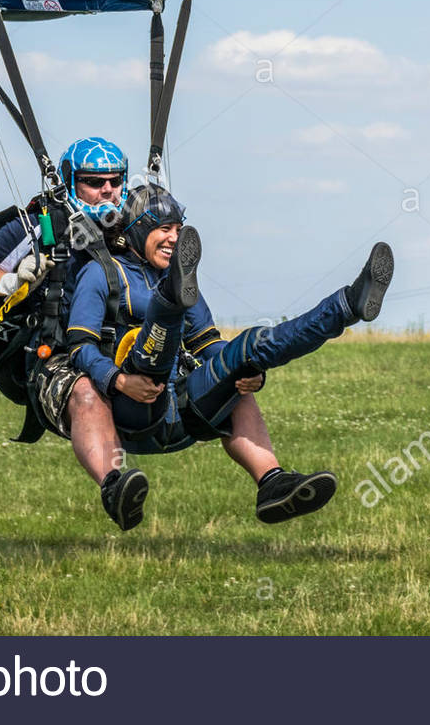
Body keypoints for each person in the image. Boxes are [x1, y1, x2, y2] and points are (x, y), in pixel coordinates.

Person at [67, 183, 394, 530]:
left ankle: (346, 307)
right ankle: (117, 487)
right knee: (153, 356)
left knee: (250, 348)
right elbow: (80, 349)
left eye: (179, 230)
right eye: (165, 229)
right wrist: (119, 381)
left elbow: (208, 344)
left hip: (184, 410)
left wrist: (247, 369)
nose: (174, 238)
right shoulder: (100, 274)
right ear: (140, 228)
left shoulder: (181, 277)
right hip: (133, 407)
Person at [0, 136, 134, 490]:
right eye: (94, 183)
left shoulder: (135, 223)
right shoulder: (42, 224)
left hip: (123, 350)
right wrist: (9, 281)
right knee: (84, 392)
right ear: (71, 182)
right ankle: (115, 486)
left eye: (115, 181)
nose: (108, 190)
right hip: (57, 358)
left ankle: (269, 476)